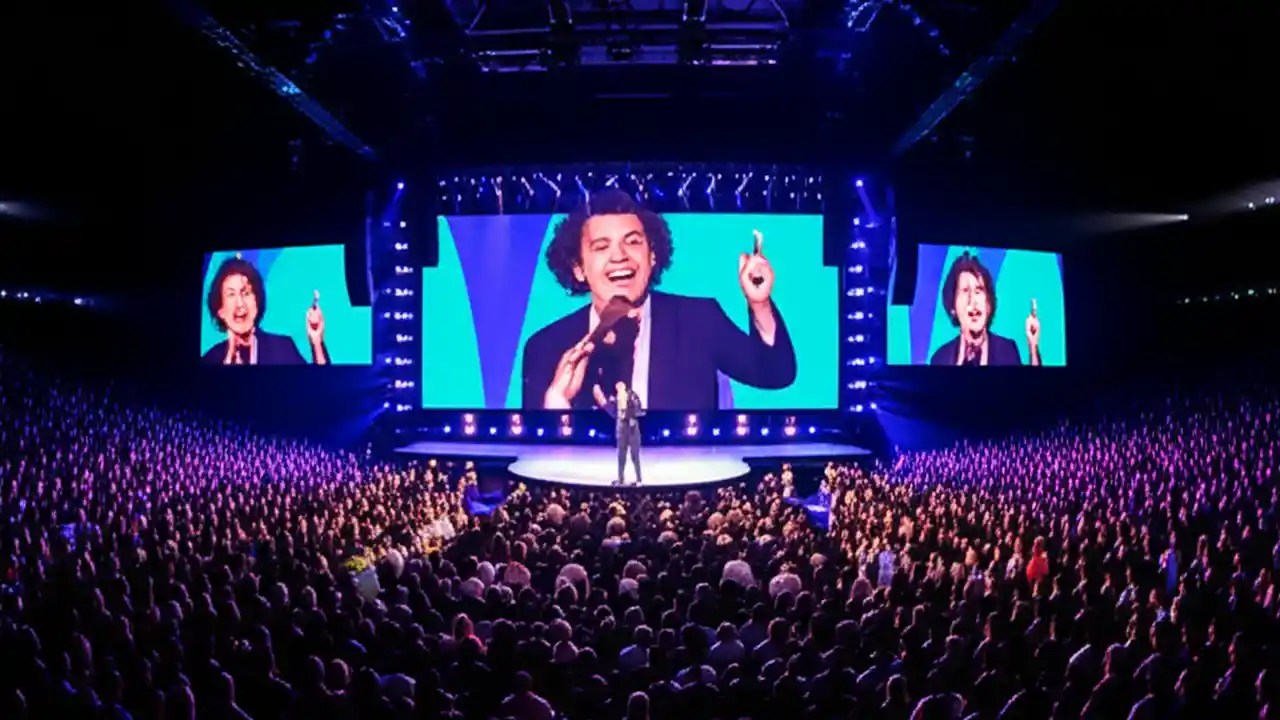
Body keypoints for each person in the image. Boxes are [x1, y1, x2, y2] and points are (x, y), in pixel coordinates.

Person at [521, 189, 797, 411]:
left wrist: (759, 303)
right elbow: (534, 452)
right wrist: (556, 403)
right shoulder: (545, 347)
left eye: (632, 241)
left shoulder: (699, 320)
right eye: (602, 246)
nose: (620, 256)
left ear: (652, 257)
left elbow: (775, 373)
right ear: (578, 268)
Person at [201, 256, 329, 365]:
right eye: (231, 295)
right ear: (220, 310)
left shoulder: (283, 348)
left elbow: (320, 385)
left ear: (257, 301)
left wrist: (316, 343)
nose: (240, 304)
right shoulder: (210, 360)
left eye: (246, 293)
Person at [928, 251, 1041, 366]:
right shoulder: (940, 358)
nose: (973, 301)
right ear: (953, 307)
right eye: (965, 291)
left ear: (988, 305)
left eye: (978, 291)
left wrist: (1033, 347)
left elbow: (1032, 384)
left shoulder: (1007, 350)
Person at [594, 380, 644, 486]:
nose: (619, 387)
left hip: (632, 426)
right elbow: (612, 411)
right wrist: (604, 403)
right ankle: (621, 479)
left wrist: (632, 417)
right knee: (621, 454)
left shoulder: (632, 395)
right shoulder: (615, 399)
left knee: (635, 455)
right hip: (621, 425)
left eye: (621, 385)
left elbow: (638, 408)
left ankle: (639, 479)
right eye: (617, 386)